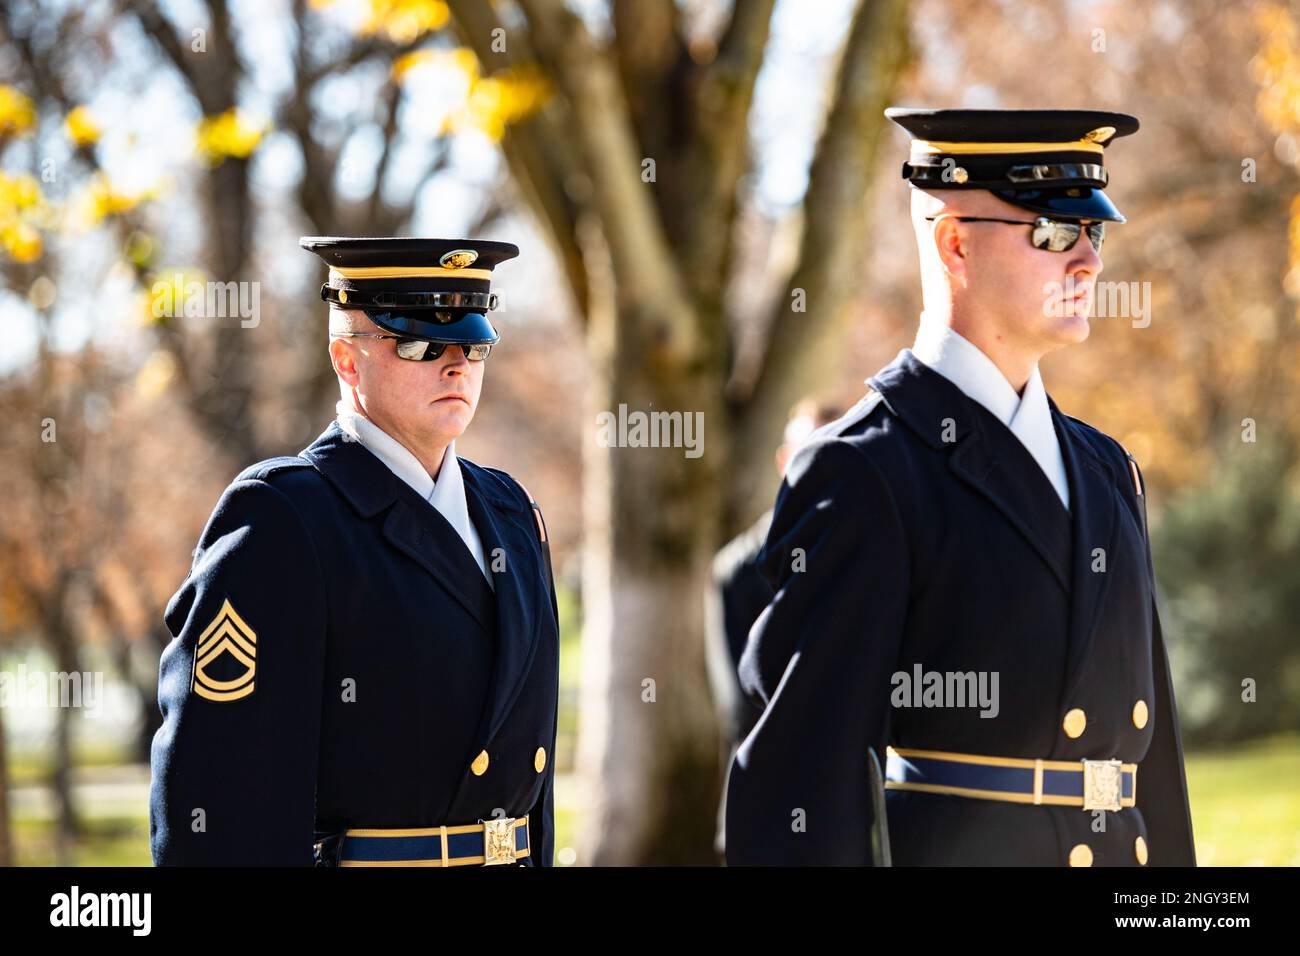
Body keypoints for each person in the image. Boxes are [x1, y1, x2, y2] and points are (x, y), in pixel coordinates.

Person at [726, 109, 1196, 866]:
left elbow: (1155, 771)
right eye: (1052, 233)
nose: (1088, 262)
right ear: (954, 244)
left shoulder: (1108, 470)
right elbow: (798, 791)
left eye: (1095, 233)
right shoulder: (862, 471)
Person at [150, 237, 560, 867]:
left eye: (473, 345)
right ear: (346, 360)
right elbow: (219, 792)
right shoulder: (283, 518)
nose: (456, 365)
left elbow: (534, 783)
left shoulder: (510, 512)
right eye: (421, 344)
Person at [705, 398, 841, 856]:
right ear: (785, 460)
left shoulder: (877, 559)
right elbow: (742, 707)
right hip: (769, 805)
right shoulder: (739, 571)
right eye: (811, 451)